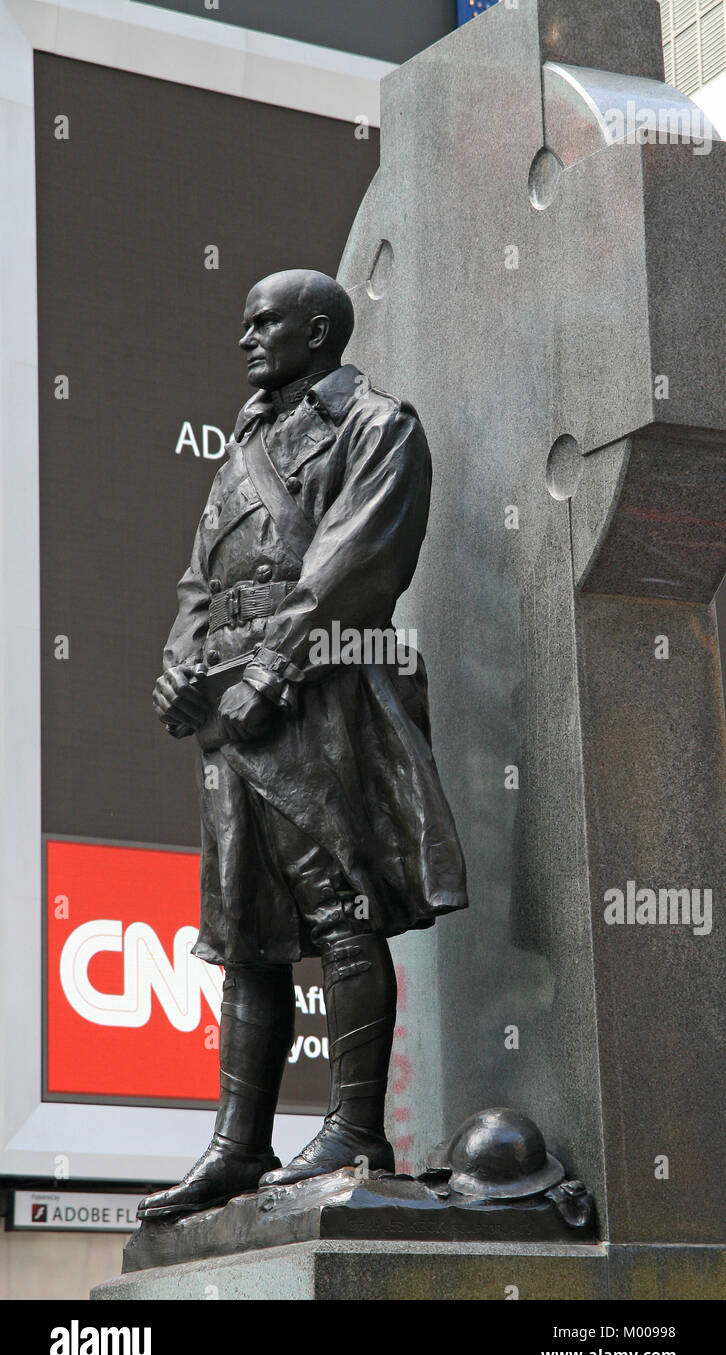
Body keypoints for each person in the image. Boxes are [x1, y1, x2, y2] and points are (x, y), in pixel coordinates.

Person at [138, 269, 467, 1221]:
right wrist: (179, 663)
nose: (245, 340)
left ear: (317, 330)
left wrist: (268, 675)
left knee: (339, 907)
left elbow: (353, 565)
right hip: (232, 706)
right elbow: (199, 579)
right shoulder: (243, 443)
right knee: (245, 933)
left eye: (264, 324)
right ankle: (237, 1148)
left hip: (318, 686)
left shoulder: (376, 425)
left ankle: (356, 1128)